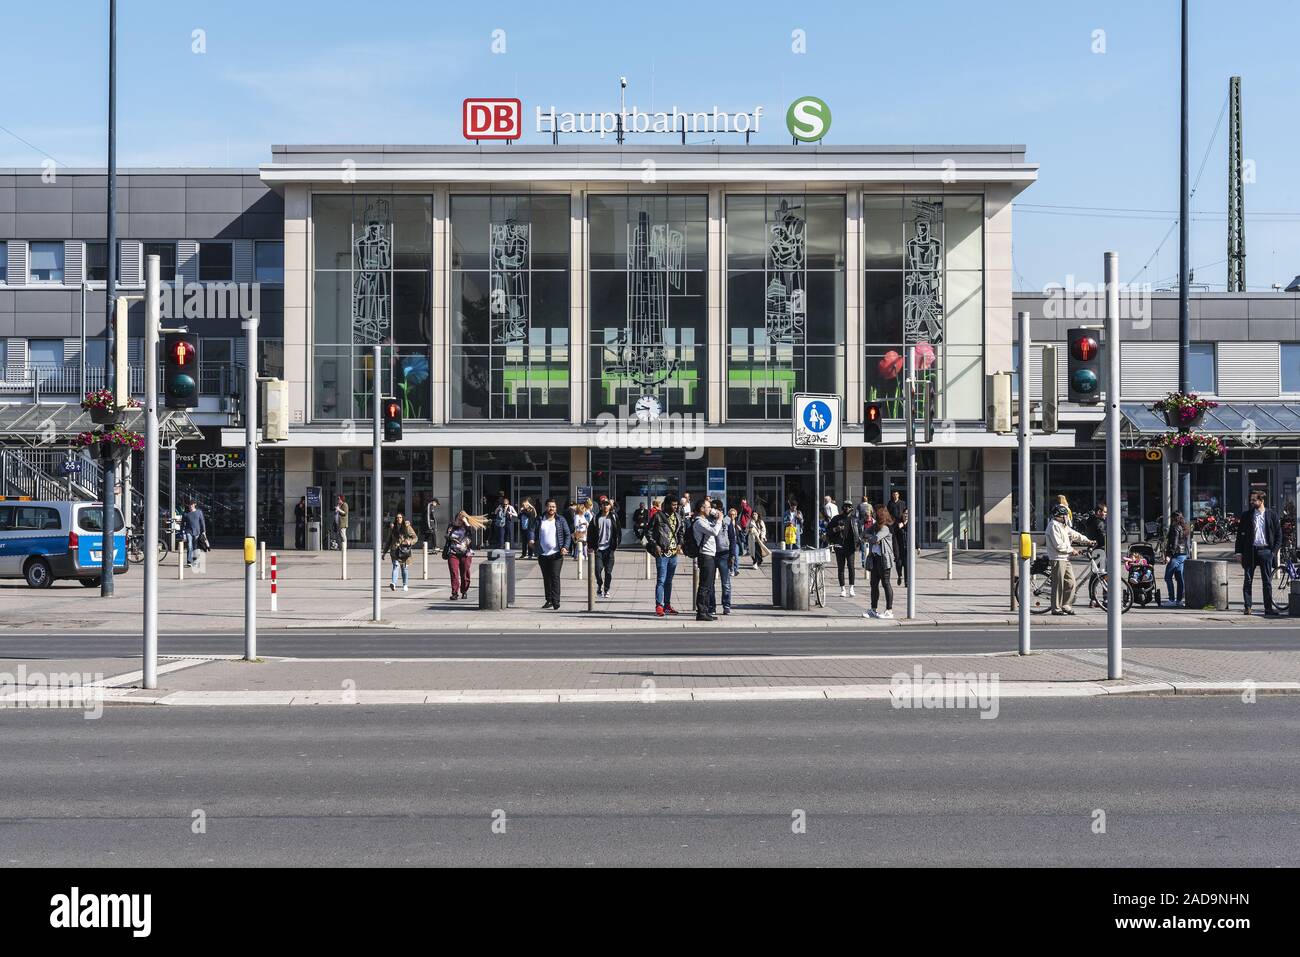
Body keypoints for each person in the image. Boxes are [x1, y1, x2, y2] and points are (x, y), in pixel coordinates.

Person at [1233, 492, 1283, 616]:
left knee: (1267, 581)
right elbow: (1239, 536)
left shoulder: (1271, 515)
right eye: (1251, 500)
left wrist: (1273, 552)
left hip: (1266, 551)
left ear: (1261, 501)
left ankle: (1268, 608)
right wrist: (1238, 552)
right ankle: (1248, 607)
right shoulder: (1246, 516)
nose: (1251, 502)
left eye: (1254, 500)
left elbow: (1278, 535)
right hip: (1250, 551)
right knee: (1248, 580)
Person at [1046, 503, 1093, 616]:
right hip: (1057, 558)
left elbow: (1074, 534)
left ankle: (1066, 605)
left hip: (1065, 559)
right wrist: (1072, 550)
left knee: (1071, 582)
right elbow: (1059, 545)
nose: (1067, 517)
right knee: (1058, 585)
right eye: (1065, 515)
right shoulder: (1053, 526)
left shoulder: (1063, 525)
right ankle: (1056, 609)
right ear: (1059, 516)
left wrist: (1088, 540)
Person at [528, 498, 571, 610]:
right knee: (546, 578)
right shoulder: (540, 519)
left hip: (556, 553)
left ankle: (556, 601)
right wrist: (531, 539)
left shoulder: (561, 520)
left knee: (555, 576)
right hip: (542, 553)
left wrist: (565, 547)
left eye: (553, 506)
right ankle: (549, 600)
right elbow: (532, 530)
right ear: (546, 507)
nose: (551, 508)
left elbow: (567, 534)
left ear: (556, 508)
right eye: (549, 506)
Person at [646, 493, 683, 617]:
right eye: (673, 505)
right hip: (662, 553)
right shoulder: (658, 516)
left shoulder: (678, 517)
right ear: (666, 505)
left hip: (673, 553)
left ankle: (667, 605)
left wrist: (680, 544)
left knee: (669, 581)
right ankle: (659, 605)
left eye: (676, 505)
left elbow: (681, 532)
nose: (675, 507)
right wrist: (655, 544)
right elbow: (648, 532)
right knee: (661, 580)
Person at [692, 499, 723, 621]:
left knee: (708, 585)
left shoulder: (705, 521)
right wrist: (719, 519)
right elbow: (714, 531)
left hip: (710, 555)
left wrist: (717, 519)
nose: (710, 509)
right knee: (704, 585)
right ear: (701, 509)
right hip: (705, 556)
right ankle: (701, 612)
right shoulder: (699, 522)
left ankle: (705, 610)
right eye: (708, 507)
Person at [863, 505, 895, 619]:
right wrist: (871, 537)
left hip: (884, 559)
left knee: (886, 583)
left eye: (878, 515)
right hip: (875, 558)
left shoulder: (885, 528)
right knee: (873, 584)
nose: (876, 517)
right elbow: (864, 534)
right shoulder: (875, 526)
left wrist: (871, 538)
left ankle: (889, 610)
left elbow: (875, 539)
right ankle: (873, 609)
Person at [827, 500, 859, 598]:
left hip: (850, 547)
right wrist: (836, 529)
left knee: (851, 567)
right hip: (839, 546)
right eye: (845, 506)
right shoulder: (836, 518)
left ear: (852, 508)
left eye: (849, 506)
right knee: (841, 568)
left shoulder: (855, 520)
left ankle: (851, 588)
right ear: (842, 508)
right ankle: (842, 589)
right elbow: (828, 530)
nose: (847, 508)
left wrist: (858, 544)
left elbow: (859, 533)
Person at [382, 512, 418, 592]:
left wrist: (410, 541)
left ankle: (405, 584)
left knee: (404, 568)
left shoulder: (407, 527)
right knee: (396, 565)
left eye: (400, 517)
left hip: (404, 551)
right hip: (395, 551)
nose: (399, 519)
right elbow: (389, 541)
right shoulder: (393, 528)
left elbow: (415, 537)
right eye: (397, 517)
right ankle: (393, 583)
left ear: (403, 518)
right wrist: (384, 552)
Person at [443, 511, 475, 600]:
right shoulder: (451, 526)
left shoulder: (467, 527)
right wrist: (450, 537)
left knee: (465, 573)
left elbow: (471, 534)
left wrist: (466, 523)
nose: (459, 520)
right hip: (453, 552)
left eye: (462, 518)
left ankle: (464, 591)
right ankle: (454, 593)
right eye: (458, 518)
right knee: (454, 573)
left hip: (466, 553)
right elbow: (447, 536)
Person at [593, 498, 621, 599]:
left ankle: (606, 589)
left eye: (607, 504)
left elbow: (618, 531)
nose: (605, 506)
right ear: (600, 506)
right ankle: (600, 585)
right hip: (598, 549)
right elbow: (591, 532)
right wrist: (591, 546)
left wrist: (616, 544)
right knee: (597, 570)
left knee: (608, 571)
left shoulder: (613, 516)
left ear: (610, 506)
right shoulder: (596, 517)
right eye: (603, 504)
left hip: (609, 549)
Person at [1164, 511, 1191, 607]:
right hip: (1183, 555)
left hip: (1176, 555)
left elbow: (1174, 543)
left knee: (1167, 577)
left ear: (1173, 518)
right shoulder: (1184, 527)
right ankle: (1179, 600)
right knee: (1180, 579)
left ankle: (1171, 600)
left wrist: (1169, 555)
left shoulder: (1175, 527)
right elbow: (1187, 543)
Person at [181, 500, 207, 568]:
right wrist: (182, 532)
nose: (191, 506)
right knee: (189, 546)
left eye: (192, 504)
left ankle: (195, 561)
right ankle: (189, 562)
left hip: (197, 532)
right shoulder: (185, 513)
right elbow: (182, 523)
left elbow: (202, 522)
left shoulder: (199, 512)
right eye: (190, 505)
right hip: (188, 531)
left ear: (195, 504)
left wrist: (203, 531)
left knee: (195, 547)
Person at [893, 507, 910, 587]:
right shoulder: (898, 522)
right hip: (899, 548)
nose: (906, 515)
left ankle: (907, 582)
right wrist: (904, 523)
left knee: (906, 566)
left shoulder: (910, 524)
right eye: (905, 513)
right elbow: (896, 530)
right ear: (902, 514)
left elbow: (913, 536)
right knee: (899, 564)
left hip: (907, 549)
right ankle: (900, 575)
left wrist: (918, 546)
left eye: (908, 514)